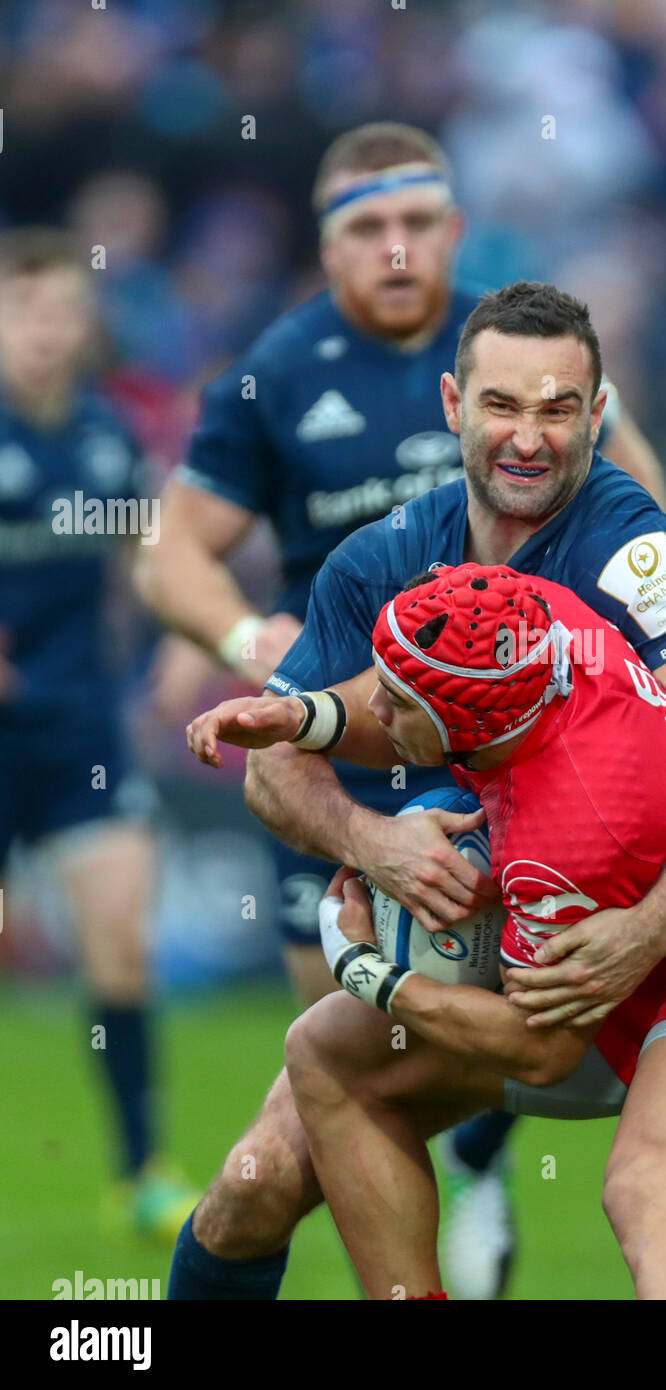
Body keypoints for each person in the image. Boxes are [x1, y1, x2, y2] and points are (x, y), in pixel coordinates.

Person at [170, 279, 666, 1302]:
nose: (529, 437)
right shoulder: (387, 558)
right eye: (503, 405)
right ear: (454, 404)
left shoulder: (630, 551)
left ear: (599, 415)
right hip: (548, 940)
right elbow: (285, 760)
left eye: (558, 409)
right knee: (258, 1172)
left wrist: (649, 925)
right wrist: (376, 844)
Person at [140, 123, 666, 1299]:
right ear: (323, 246)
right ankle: (461, 1175)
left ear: (455, 229)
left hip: (518, 787)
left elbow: (645, 513)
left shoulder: (525, 351)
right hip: (340, 768)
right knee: (305, 1136)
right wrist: (245, 643)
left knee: (343, 1106)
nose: (395, 250)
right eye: (365, 229)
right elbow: (166, 554)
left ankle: (477, 1162)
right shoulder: (274, 372)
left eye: (417, 223)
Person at [0, 227, 196, 1242]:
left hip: (80, 726)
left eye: (62, 312)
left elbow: (156, 554)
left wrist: (179, 640)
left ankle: (143, 1171)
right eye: (25, 310)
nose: (45, 331)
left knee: (121, 941)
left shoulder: (108, 436)